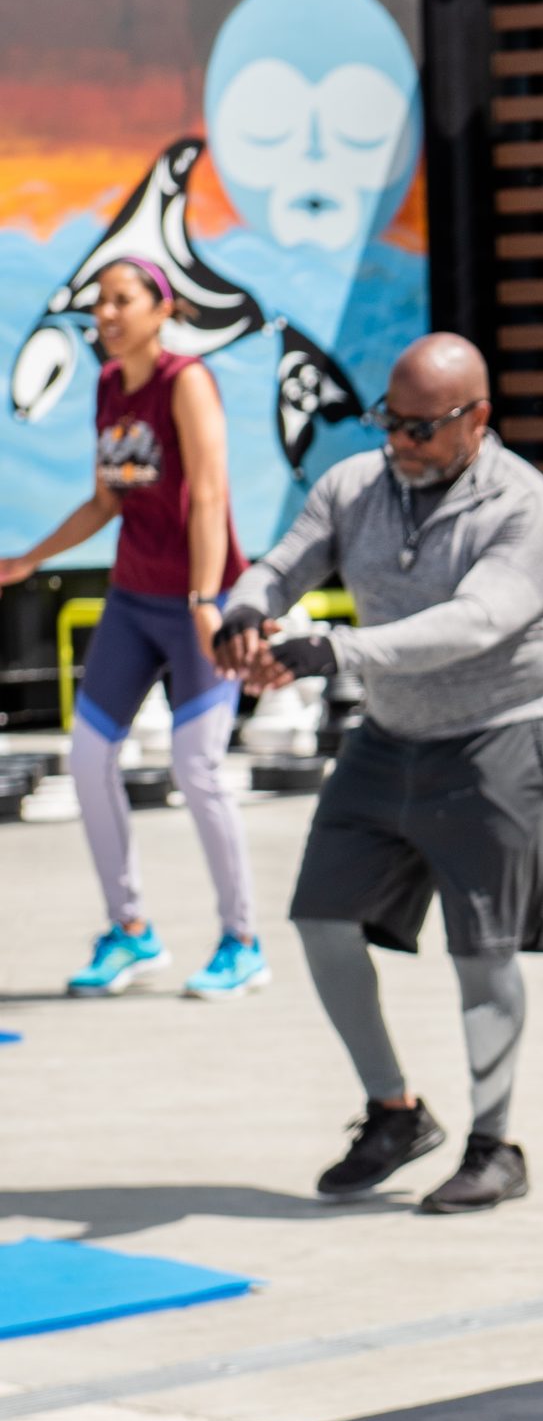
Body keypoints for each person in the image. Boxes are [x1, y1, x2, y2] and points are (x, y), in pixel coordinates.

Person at [216, 333, 543, 1214]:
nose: (402, 443)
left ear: (476, 419)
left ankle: (495, 1145)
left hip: (500, 736)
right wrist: (245, 608)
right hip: (390, 736)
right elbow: (283, 560)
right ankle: (394, 1113)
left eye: (422, 428)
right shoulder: (354, 485)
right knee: (321, 918)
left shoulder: (524, 507)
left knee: (482, 950)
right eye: (391, 423)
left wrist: (329, 649)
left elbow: (472, 622)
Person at [0, 257, 265, 1001]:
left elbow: (210, 497)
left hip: (193, 607)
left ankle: (242, 941)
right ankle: (130, 930)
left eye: (122, 301)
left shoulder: (187, 382)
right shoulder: (109, 386)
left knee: (198, 770)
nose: (106, 315)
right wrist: (28, 559)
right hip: (131, 601)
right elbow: (105, 501)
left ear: (163, 307)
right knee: (87, 759)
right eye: (99, 304)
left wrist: (207, 599)